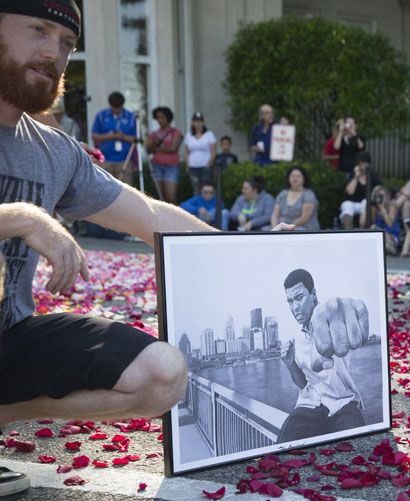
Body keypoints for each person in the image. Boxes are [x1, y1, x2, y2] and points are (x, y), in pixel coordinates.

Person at [0, 5, 290, 496]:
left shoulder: (53, 150)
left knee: (162, 375)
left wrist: (247, 254)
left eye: (67, 43)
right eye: (38, 30)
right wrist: (22, 217)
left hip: (9, 337)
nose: (53, 52)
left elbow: (151, 218)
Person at [277, 269, 368, 443]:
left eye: (299, 297)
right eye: (290, 301)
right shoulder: (295, 337)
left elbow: (337, 311)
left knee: (359, 448)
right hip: (310, 404)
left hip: (342, 402)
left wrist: (347, 313)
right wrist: (291, 365)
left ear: (313, 295)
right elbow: (303, 383)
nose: (294, 306)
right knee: (284, 446)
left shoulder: (330, 317)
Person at [90, 91, 137, 185]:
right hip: (105, 160)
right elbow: (94, 136)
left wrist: (122, 136)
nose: (116, 110)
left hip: (125, 160)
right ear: (110, 104)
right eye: (114, 107)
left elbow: (136, 139)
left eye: (118, 107)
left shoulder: (131, 117)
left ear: (122, 105)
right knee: (106, 189)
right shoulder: (101, 116)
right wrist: (109, 136)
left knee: (127, 190)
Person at [146, 106, 183, 204]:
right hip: (156, 166)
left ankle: (174, 217)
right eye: (158, 117)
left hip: (171, 167)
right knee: (159, 196)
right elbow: (148, 150)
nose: (159, 120)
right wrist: (153, 143)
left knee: (171, 196)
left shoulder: (175, 132)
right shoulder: (153, 134)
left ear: (168, 118)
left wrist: (157, 148)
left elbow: (173, 148)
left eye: (162, 117)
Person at [271, 165, 321, 231]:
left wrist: (287, 228)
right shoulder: (282, 194)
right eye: (292, 176)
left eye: (298, 176)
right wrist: (275, 228)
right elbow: (275, 215)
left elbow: (304, 218)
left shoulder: (308, 195)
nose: (295, 178)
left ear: (304, 178)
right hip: (281, 228)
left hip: (303, 229)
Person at [340, 152, 380, 230]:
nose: (362, 166)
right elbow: (350, 192)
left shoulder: (373, 175)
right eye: (360, 164)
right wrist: (356, 176)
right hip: (353, 202)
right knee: (346, 205)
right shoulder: (353, 174)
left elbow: (378, 189)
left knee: (366, 202)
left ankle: (362, 230)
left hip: (366, 204)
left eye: (364, 164)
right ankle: (348, 231)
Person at [360, 185, 401, 255]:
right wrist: (367, 205)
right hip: (377, 236)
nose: (379, 198)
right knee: (372, 229)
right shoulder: (373, 208)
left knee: (375, 229)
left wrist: (382, 208)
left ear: (387, 196)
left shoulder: (392, 206)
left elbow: (390, 224)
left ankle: (388, 248)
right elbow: (362, 223)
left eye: (381, 195)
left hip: (390, 236)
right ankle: (383, 248)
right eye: (376, 195)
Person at [183, 112, 217, 196]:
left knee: (207, 188)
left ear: (203, 122)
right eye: (196, 121)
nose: (198, 124)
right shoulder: (188, 135)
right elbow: (186, 151)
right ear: (192, 123)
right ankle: (197, 208)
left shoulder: (209, 134)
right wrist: (187, 164)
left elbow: (213, 151)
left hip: (205, 167)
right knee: (195, 189)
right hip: (193, 167)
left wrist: (209, 164)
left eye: (200, 121)